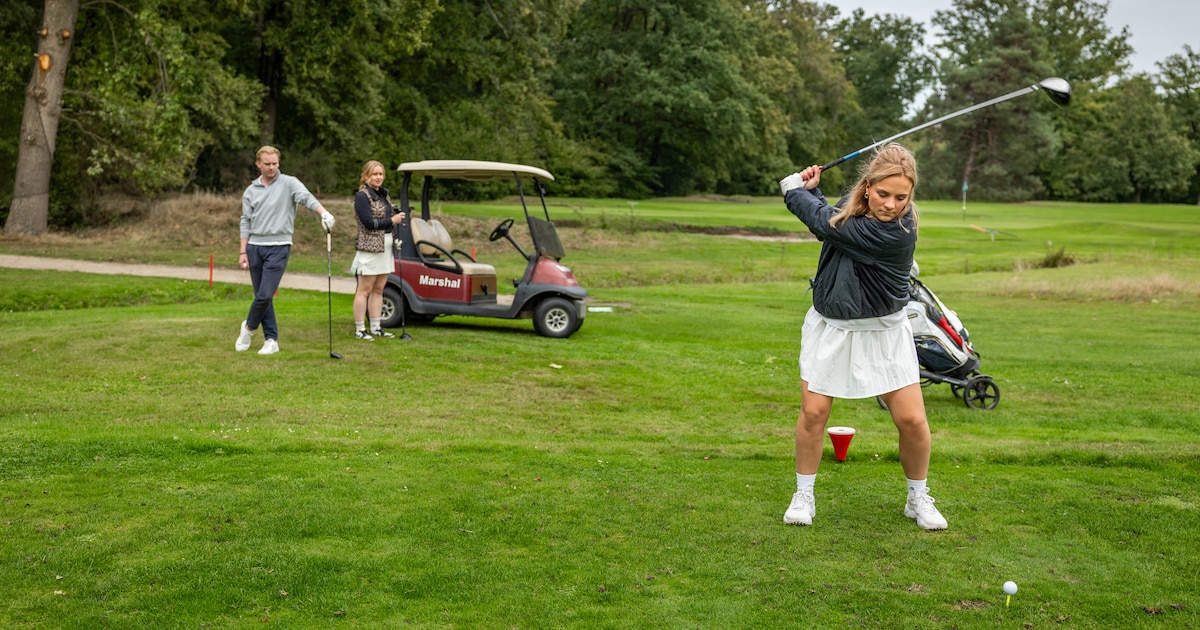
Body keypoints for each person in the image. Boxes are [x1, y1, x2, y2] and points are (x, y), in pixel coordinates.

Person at [777, 143, 948, 531]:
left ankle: (917, 497)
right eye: (884, 194)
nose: (891, 204)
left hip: (884, 332)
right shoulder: (852, 210)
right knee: (814, 413)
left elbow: (827, 225)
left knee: (913, 421)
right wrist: (813, 191)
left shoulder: (899, 233)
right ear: (868, 187)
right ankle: (804, 493)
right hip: (833, 327)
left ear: (911, 196)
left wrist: (793, 192)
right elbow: (834, 218)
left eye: (901, 197)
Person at [235, 145, 336, 355]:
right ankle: (271, 340)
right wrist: (243, 251)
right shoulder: (251, 191)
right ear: (258, 164)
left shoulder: (289, 183)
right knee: (263, 296)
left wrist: (323, 213)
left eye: (275, 163)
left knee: (264, 295)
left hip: (279, 246)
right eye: (267, 164)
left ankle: (248, 328)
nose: (272, 167)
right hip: (255, 247)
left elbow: (306, 197)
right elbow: (245, 221)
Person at [350, 160, 405, 340]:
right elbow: (368, 223)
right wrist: (392, 220)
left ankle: (376, 326)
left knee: (379, 289)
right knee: (364, 289)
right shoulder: (362, 196)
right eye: (374, 174)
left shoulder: (383, 194)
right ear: (366, 176)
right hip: (370, 247)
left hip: (386, 245)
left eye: (380, 174)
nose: (378, 177)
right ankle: (360, 329)